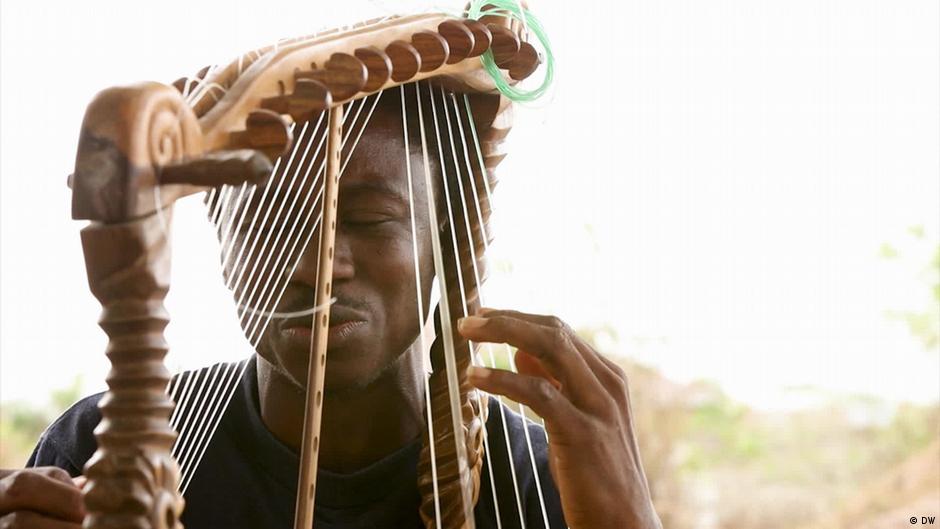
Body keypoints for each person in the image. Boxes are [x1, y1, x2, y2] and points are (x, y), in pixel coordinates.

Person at [1, 87, 662, 529]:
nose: (316, 262)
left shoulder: (548, 484)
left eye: (371, 218)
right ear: (225, 251)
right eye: (269, 220)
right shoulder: (106, 445)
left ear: (448, 240)